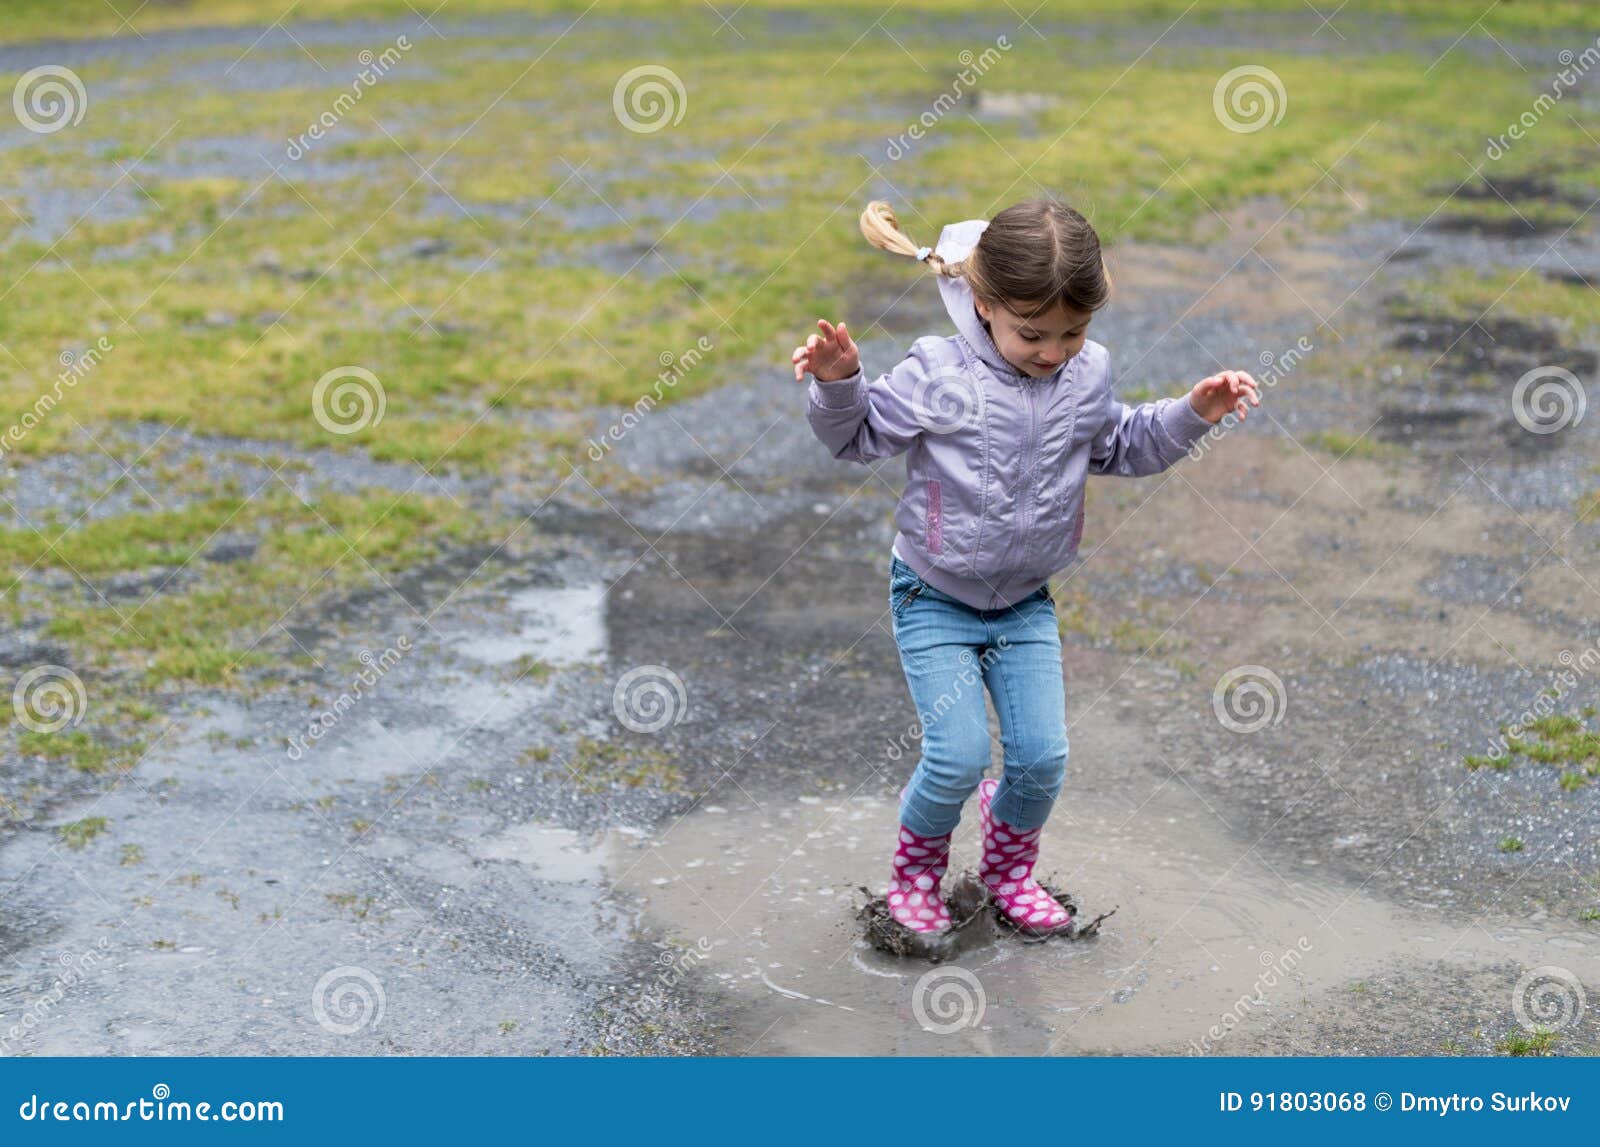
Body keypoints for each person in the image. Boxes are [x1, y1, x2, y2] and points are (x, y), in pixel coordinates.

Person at [794, 199, 1260, 935]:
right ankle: (915, 879)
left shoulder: (1087, 374)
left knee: (1041, 758)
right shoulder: (937, 372)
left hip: (1023, 602)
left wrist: (1189, 413)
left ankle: (1008, 872)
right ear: (982, 305)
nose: (1054, 351)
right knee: (958, 755)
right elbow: (855, 438)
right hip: (934, 593)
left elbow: (1121, 446)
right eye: (1033, 333)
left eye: (1073, 332)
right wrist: (839, 382)